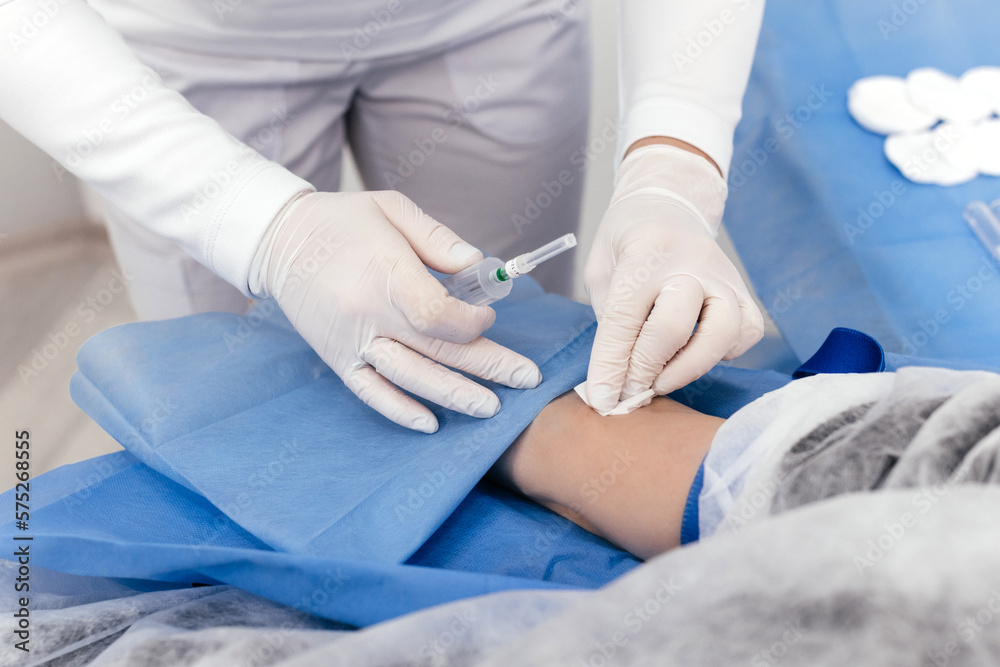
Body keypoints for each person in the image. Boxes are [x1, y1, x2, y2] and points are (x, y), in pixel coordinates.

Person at [0, 0, 765, 433]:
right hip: (182, 49)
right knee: (227, 416)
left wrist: (675, 162)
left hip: (494, 21)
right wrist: (264, 227)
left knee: (506, 360)